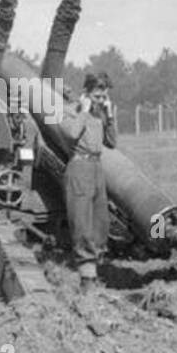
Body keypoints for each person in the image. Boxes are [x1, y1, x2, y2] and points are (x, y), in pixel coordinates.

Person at [58, 76, 111, 291]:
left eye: (104, 96)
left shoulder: (99, 115)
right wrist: (84, 110)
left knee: (101, 222)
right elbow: (71, 133)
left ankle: (94, 271)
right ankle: (87, 279)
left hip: (97, 169)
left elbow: (112, 142)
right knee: (82, 223)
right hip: (79, 168)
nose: (100, 100)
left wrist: (110, 116)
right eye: (97, 96)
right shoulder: (69, 111)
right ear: (86, 93)